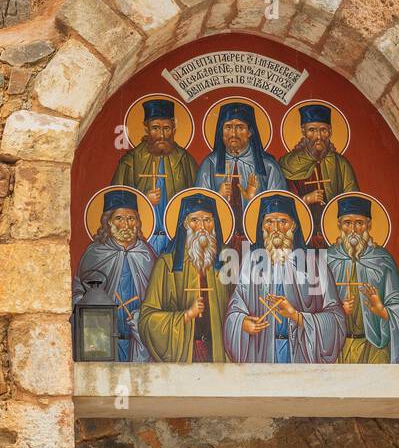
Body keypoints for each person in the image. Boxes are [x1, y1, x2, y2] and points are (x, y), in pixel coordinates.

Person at [224, 193, 345, 363]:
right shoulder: (251, 262)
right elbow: (236, 307)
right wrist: (241, 323)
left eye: (283, 221)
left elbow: (335, 316)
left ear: (293, 226)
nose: (276, 228)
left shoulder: (314, 264)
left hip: (300, 351)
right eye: (270, 222)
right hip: (263, 351)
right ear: (262, 227)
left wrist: (296, 316)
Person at [139, 192, 231, 363]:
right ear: (185, 224)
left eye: (207, 220)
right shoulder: (167, 263)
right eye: (195, 220)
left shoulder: (228, 259)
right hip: (185, 352)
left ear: (214, 223)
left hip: (219, 353)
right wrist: (187, 315)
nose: (202, 226)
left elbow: (237, 307)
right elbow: (147, 318)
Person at [325, 195, 399, 363]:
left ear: (369, 225)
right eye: (347, 223)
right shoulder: (327, 259)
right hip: (337, 348)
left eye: (359, 223)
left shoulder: (382, 260)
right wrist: (338, 310)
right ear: (338, 225)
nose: (353, 229)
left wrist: (383, 311)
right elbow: (313, 307)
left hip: (374, 346)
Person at [72, 190, 156, 362]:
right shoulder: (95, 253)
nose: (126, 224)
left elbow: (158, 297)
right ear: (108, 222)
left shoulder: (146, 254)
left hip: (138, 338)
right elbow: (78, 292)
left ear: (138, 222)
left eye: (131, 218)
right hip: (102, 338)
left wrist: (146, 318)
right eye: (119, 218)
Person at [112, 98, 196, 254]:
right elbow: (114, 204)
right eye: (155, 128)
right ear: (147, 129)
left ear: (174, 128)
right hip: (140, 241)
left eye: (167, 128)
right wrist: (144, 201)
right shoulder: (131, 161)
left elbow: (199, 200)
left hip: (177, 240)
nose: (162, 135)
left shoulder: (185, 160)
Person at [195, 100, 285, 242]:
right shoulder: (210, 164)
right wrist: (219, 196)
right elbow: (196, 209)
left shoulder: (268, 166)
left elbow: (281, 209)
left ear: (250, 132)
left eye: (240, 127)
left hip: (258, 240)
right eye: (228, 127)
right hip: (218, 240)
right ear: (221, 131)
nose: (234, 133)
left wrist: (254, 201)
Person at [279, 102, 358, 246]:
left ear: (330, 131)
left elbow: (353, 202)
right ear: (303, 131)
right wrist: (306, 199)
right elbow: (280, 204)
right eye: (312, 130)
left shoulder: (341, 165)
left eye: (323, 130)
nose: (318, 136)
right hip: (298, 237)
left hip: (333, 237)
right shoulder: (289, 164)